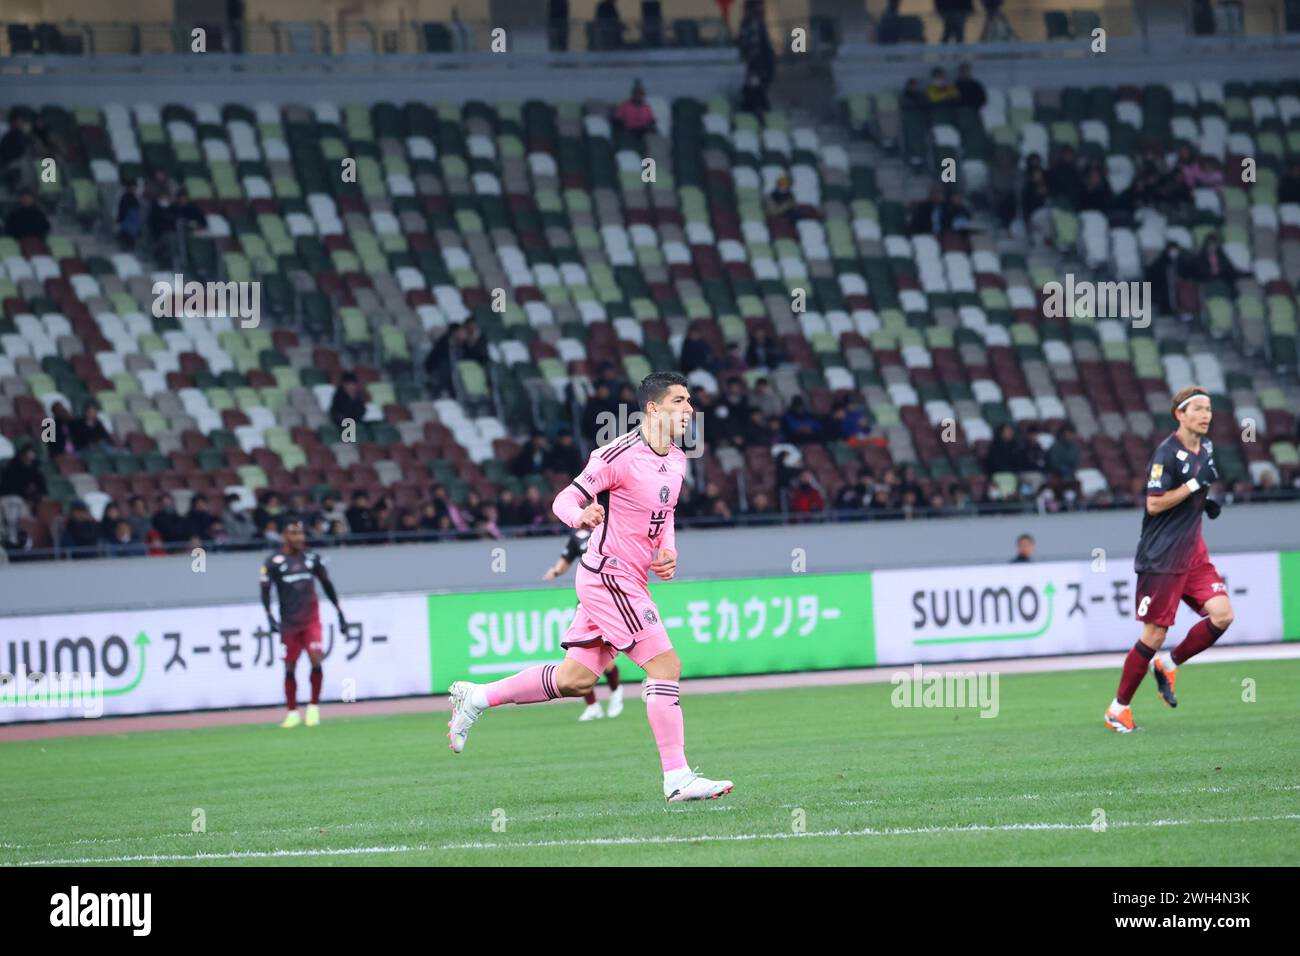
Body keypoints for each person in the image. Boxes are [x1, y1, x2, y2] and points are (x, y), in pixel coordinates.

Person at [446, 371, 734, 802]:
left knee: (576, 679)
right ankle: (677, 778)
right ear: (653, 409)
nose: (689, 409)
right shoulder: (616, 453)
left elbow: (666, 512)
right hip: (608, 576)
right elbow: (563, 499)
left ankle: (478, 697)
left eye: (690, 401)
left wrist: (666, 551)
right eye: (679, 401)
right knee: (665, 666)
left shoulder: (677, 457)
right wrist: (578, 517)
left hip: (629, 576)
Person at [1104, 386, 1233, 734]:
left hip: (1193, 551)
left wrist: (1204, 502)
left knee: (1222, 615)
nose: (1206, 415)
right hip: (1162, 555)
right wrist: (1194, 487)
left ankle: (1169, 665)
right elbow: (1155, 503)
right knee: (1155, 632)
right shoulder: (1165, 453)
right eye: (1198, 409)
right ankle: (1118, 708)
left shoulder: (1205, 447)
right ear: (1180, 414)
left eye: (1209, 409)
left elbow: (1196, 485)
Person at [261, 520, 349, 728]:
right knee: (290, 666)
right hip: (289, 623)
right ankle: (292, 711)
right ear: (285, 536)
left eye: (301, 533)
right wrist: (268, 615)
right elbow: (265, 591)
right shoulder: (273, 561)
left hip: (311, 620)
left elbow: (327, 585)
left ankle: (313, 708)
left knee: (316, 659)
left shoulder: (312, 558)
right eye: (294, 533)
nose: (299, 537)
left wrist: (340, 612)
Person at [542, 526, 624, 721]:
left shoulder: (612, 527)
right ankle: (593, 705)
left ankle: (616, 692)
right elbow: (565, 561)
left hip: (610, 599)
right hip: (586, 600)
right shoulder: (576, 536)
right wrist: (554, 571)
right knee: (576, 654)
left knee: (606, 657)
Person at [116, 179, 143, 249]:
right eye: (132, 187)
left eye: (134, 187)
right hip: (128, 221)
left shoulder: (135, 197)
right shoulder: (125, 197)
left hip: (133, 221)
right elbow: (122, 210)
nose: (133, 189)